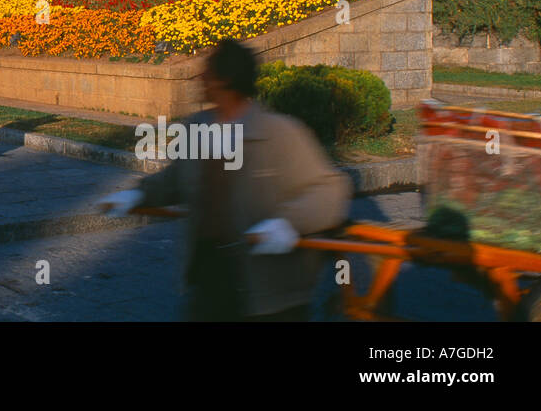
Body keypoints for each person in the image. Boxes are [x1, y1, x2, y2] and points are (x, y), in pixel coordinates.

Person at [97, 38, 352, 321]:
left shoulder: (279, 133)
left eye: (208, 70)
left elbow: (329, 190)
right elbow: (177, 178)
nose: (200, 77)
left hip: (268, 292)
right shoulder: (197, 127)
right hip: (210, 276)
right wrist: (138, 194)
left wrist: (289, 222)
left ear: (226, 78)